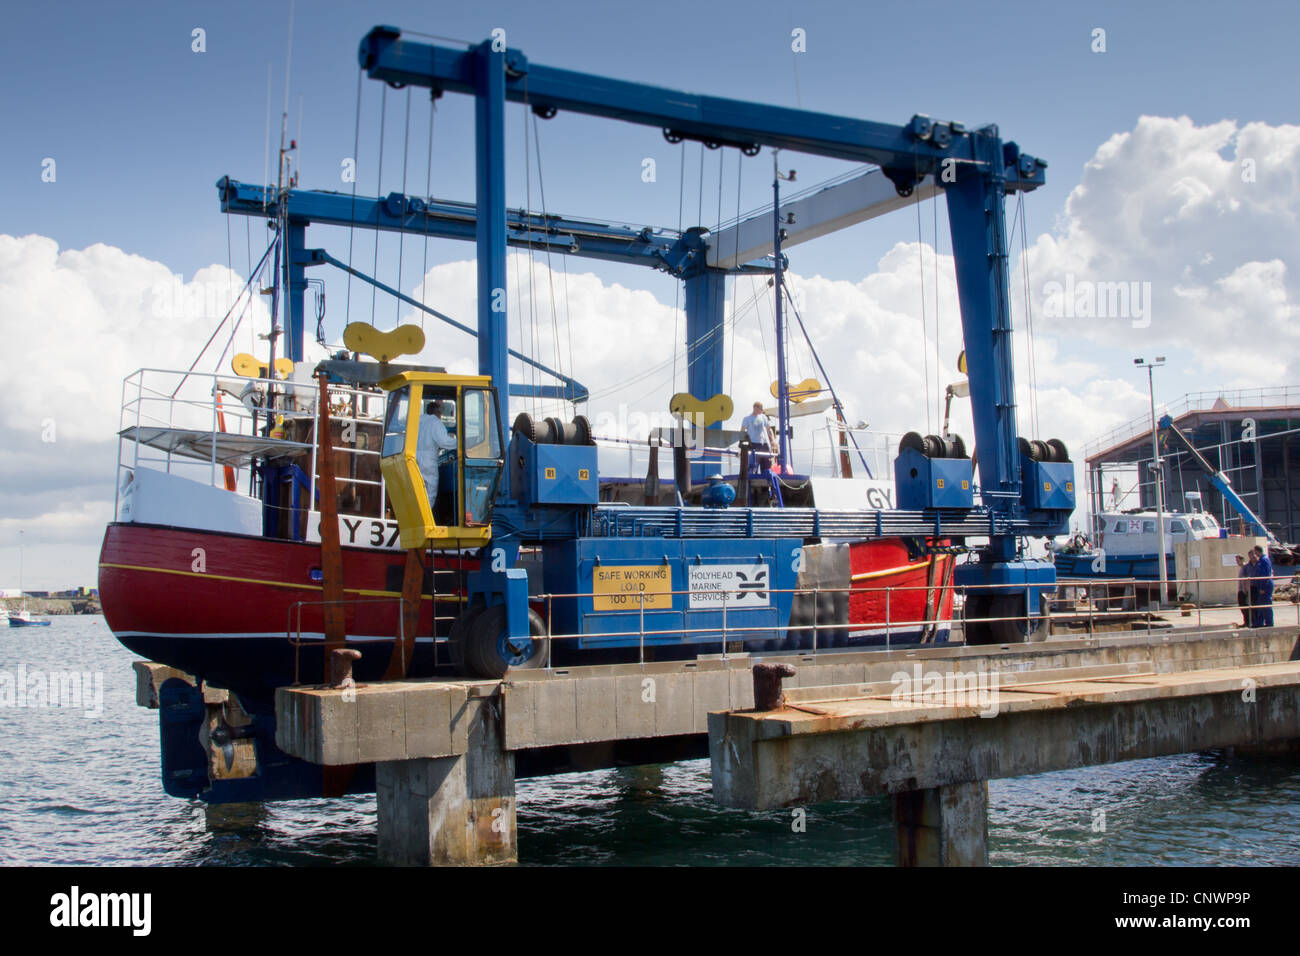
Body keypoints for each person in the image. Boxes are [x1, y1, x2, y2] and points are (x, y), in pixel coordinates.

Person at [416, 399, 457, 508]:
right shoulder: (435, 422)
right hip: (428, 460)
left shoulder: (418, 420)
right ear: (438, 413)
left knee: (417, 488)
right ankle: (427, 514)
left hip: (413, 458)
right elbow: (444, 442)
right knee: (430, 490)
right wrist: (461, 443)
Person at [740, 401, 778, 475]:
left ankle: (766, 480)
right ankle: (753, 479)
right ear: (755, 408)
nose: (761, 410)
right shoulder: (747, 418)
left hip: (764, 444)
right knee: (754, 466)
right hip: (753, 444)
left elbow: (768, 429)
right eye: (760, 408)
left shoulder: (763, 417)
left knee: (767, 465)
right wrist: (742, 444)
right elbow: (742, 431)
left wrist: (772, 440)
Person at [1251, 545, 1275, 628]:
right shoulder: (1261, 560)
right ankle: (1259, 622)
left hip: (1266, 585)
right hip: (1261, 584)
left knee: (1266, 604)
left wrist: (1263, 587)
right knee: (1261, 604)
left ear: (1257, 551)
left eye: (1255, 552)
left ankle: (1269, 623)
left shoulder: (1264, 560)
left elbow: (1267, 574)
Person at [1236, 554, 1251, 627]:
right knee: (1242, 606)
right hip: (1240, 589)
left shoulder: (1245, 567)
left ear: (1242, 560)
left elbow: (1247, 578)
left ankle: (1248, 622)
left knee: (1245, 606)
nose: (1237, 562)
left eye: (1238, 560)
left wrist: (1246, 588)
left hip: (1244, 590)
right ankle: (1246, 622)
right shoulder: (1242, 568)